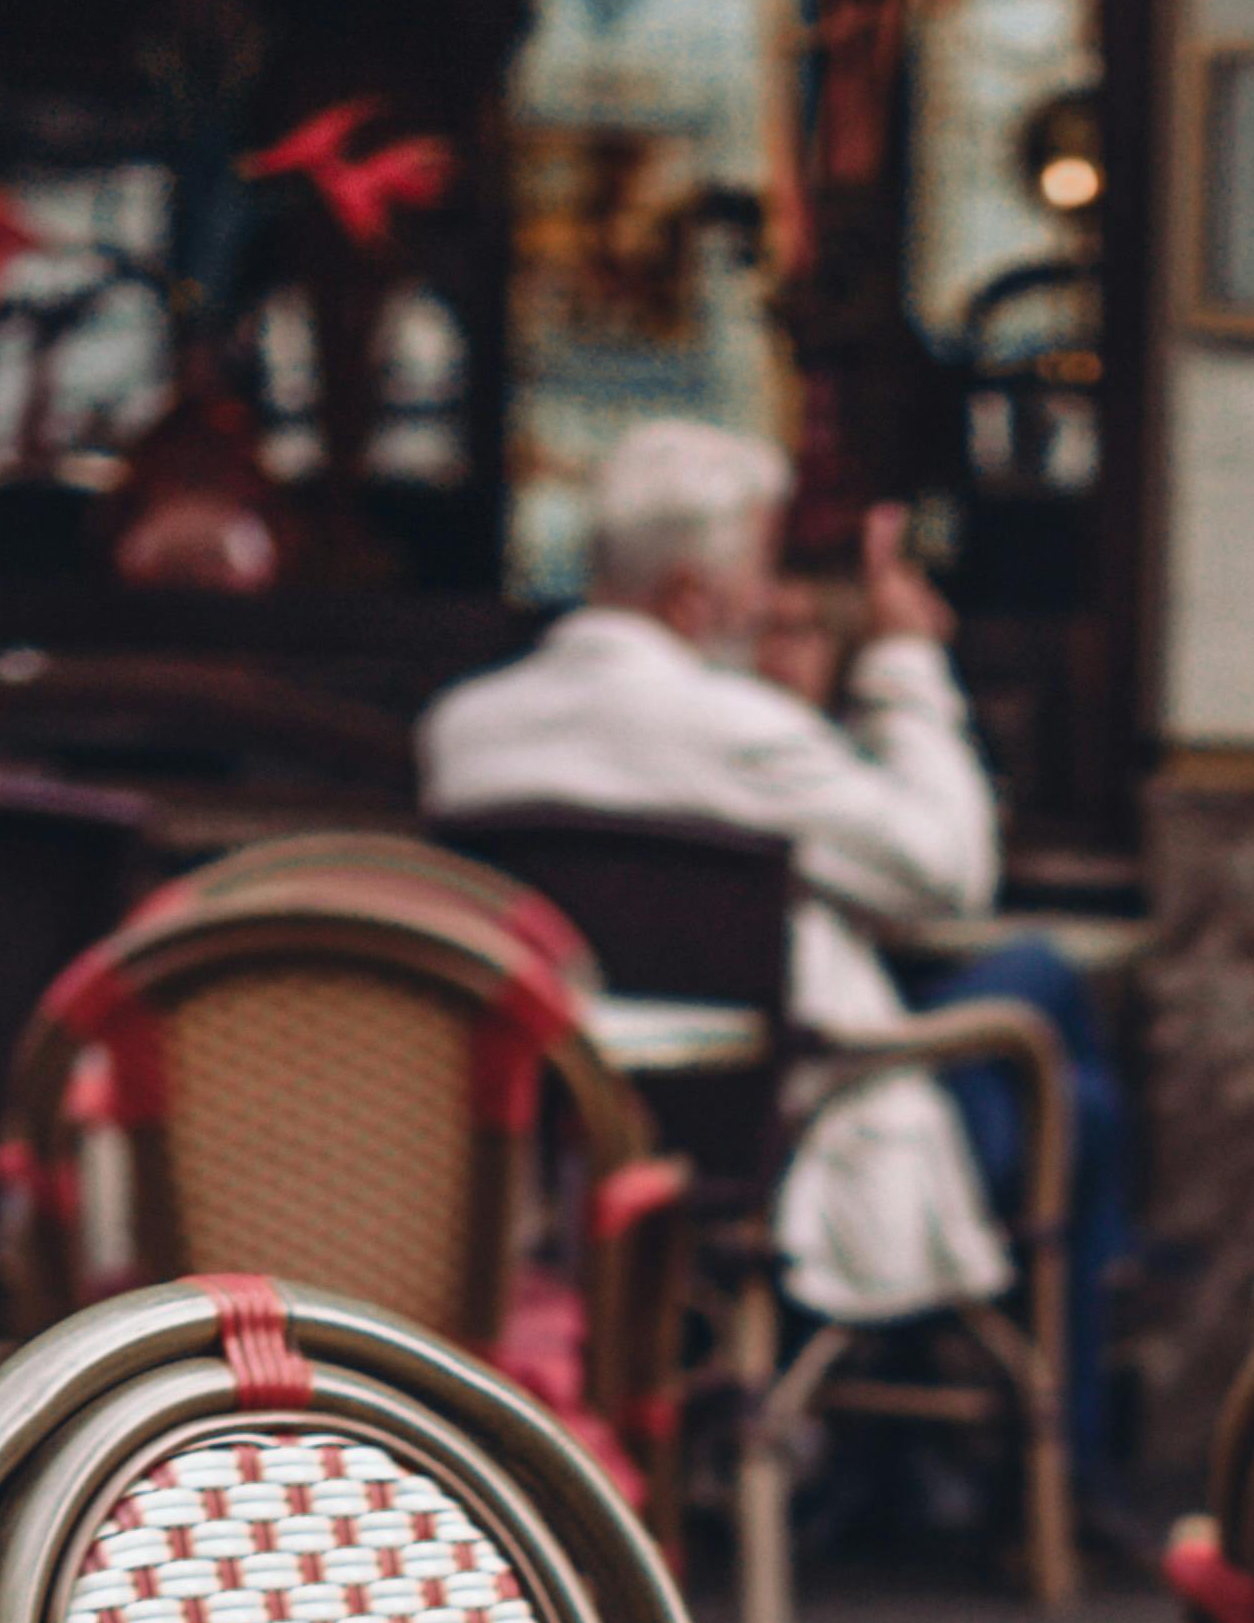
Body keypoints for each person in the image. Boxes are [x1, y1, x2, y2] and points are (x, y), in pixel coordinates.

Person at [419, 419, 1125, 1442]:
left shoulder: (466, 728)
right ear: (691, 598)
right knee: (1055, 1014)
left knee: (1075, 1083)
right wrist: (905, 662)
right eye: (754, 574)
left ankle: (950, 1458)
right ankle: (1053, 1456)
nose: (762, 602)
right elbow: (947, 875)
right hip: (766, 1123)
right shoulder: (738, 733)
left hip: (570, 1121)